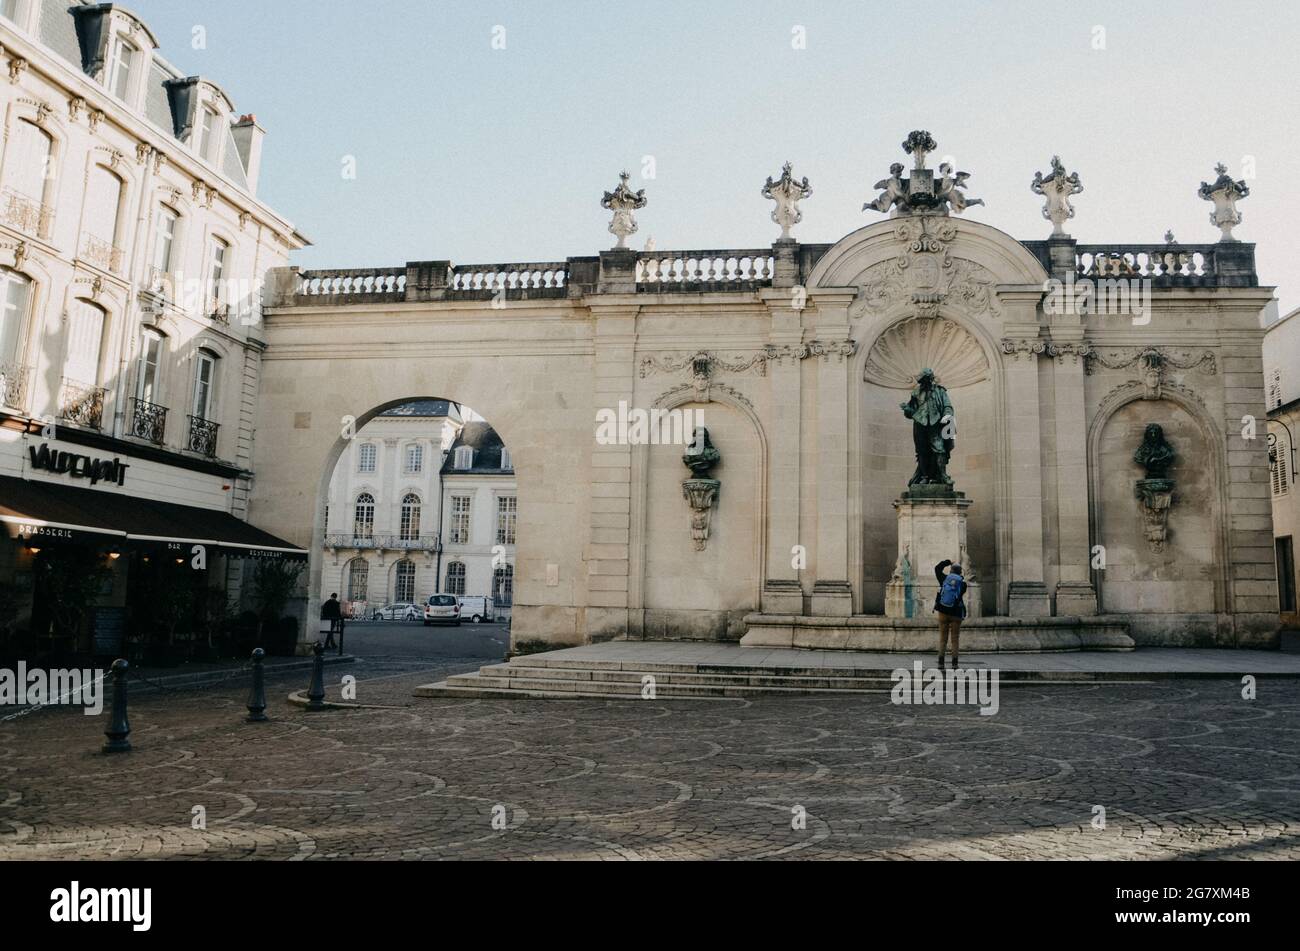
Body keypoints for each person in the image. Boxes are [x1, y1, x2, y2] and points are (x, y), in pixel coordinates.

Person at [933, 559, 967, 669]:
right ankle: (954, 663)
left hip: (943, 611)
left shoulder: (944, 579)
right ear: (960, 572)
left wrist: (948, 561)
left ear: (951, 570)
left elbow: (937, 568)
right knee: (955, 639)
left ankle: (941, 662)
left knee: (943, 638)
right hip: (956, 613)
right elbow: (960, 594)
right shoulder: (963, 584)